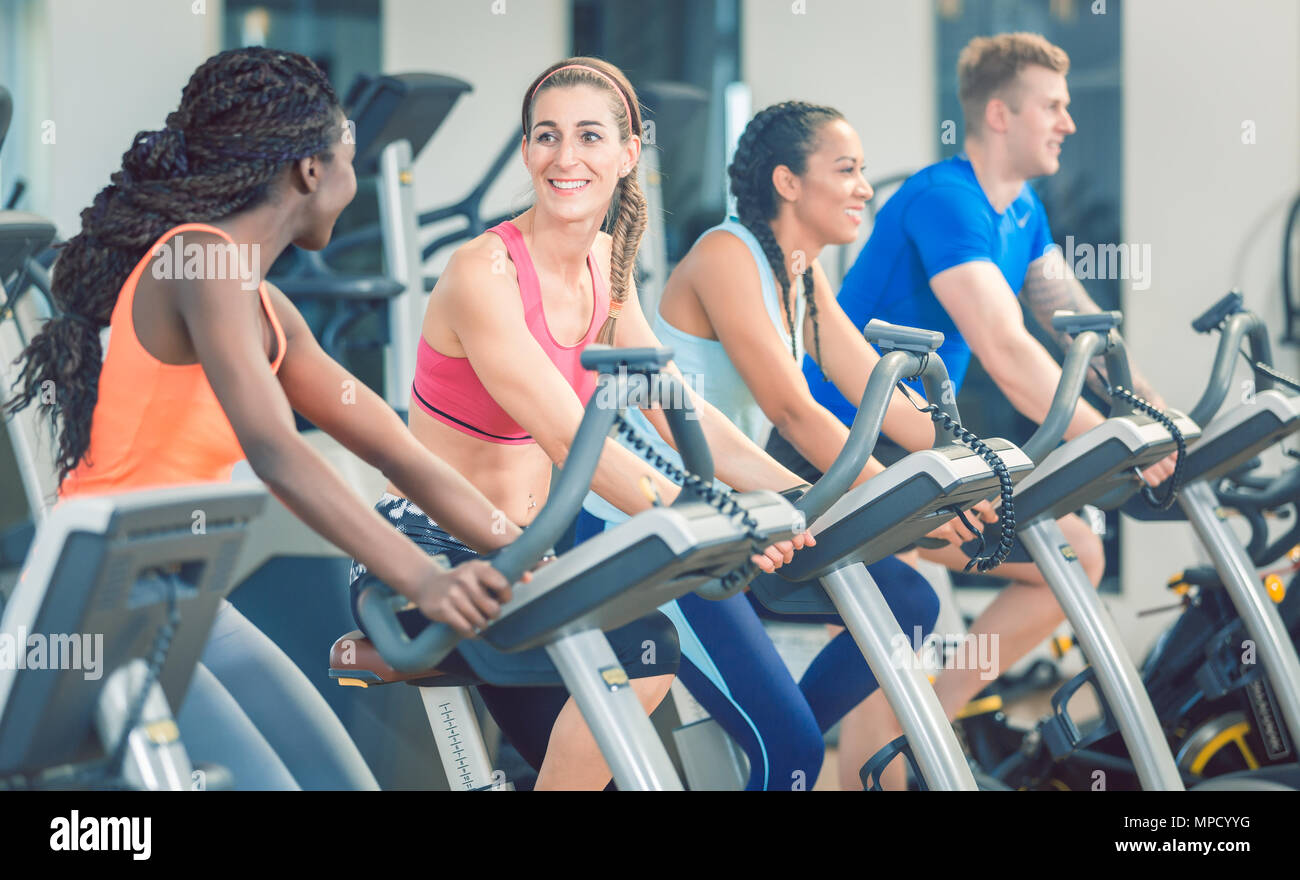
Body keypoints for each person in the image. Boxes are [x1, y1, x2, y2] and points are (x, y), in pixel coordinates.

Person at [5, 48, 518, 790]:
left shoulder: (268, 309)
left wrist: (520, 552)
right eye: (349, 163)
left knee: (341, 782)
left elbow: (398, 452)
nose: (353, 185)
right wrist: (423, 578)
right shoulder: (197, 259)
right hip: (100, 599)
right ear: (310, 171)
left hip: (189, 597)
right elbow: (277, 451)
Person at [379, 56, 839, 791]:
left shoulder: (603, 262)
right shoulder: (483, 274)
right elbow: (572, 440)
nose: (565, 157)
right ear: (527, 150)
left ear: (628, 155)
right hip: (436, 557)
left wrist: (803, 496)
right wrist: (718, 519)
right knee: (642, 649)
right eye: (547, 136)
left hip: (531, 550)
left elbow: (677, 408)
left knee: (640, 670)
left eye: (589, 137)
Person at [783, 32, 1175, 777]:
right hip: (843, 446)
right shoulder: (945, 200)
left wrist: (1152, 415)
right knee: (1061, 558)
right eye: (1052, 106)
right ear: (1001, 114)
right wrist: (1116, 441)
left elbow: (1079, 327)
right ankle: (925, 726)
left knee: (917, 644)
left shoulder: (1021, 209)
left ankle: (924, 727)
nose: (1067, 122)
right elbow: (1007, 350)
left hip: (916, 446)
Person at [644, 100, 998, 790]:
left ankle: (780, 747)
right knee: (796, 751)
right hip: (670, 526)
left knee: (908, 604)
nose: (864, 188)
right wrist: (904, 496)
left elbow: (875, 390)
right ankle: (784, 747)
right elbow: (794, 410)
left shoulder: (802, 273)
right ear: (787, 182)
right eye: (847, 170)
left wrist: (974, 465)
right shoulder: (726, 255)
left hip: (740, 517)